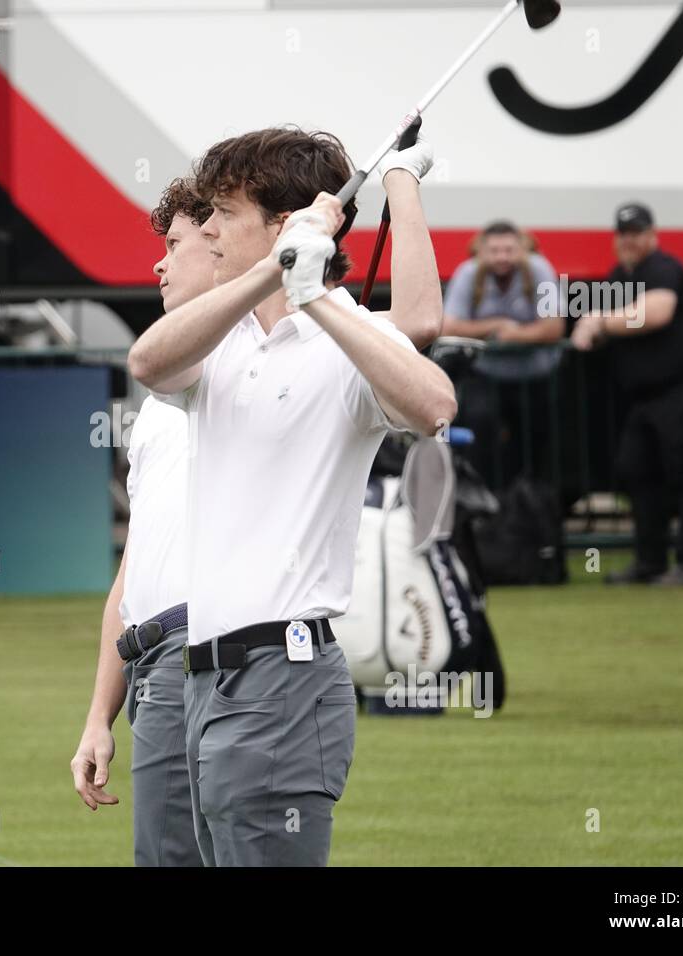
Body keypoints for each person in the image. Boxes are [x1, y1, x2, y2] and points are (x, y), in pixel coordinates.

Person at [129, 128, 456, 867]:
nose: (206, 229)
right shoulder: (223, 342)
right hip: (204, 683)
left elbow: (434, 402)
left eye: (223, 213)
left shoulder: (347, 346)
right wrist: (272, 275)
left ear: (283, 222)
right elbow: (148, 360)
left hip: (282, 674)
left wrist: (321, 285)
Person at [70, 178, 210, 867]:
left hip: (215, 648)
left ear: (221, 246)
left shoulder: (257, 358)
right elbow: (131, 579)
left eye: (175, 245)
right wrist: (98, 717)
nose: (158, 264)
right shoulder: (157, 403)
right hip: (153, 665)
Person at [572, 202, 683, 586]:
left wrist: (600, 322)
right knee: (637, 469)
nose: (629, 241)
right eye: (623, 234)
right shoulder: (618, 276)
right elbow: (584, 328)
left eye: (637, 233)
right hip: (648, 397)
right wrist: (592, 322)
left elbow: (654, 313)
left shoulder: (663, 268)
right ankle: (650, 562)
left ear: (652, 234)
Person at [442, 221, 564, 486]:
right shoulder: (469, 273)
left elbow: (554, 326)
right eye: (495, 250)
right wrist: (496, 325)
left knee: (537, 449)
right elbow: (449, 326)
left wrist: (514, 336)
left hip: (535, 380)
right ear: (481, 251)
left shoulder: (539, 269)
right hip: (487, 378)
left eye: (509, 250)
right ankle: (483, 503)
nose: (502, 257)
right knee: (479, 437)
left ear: (522, 249)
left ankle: (531, 508)